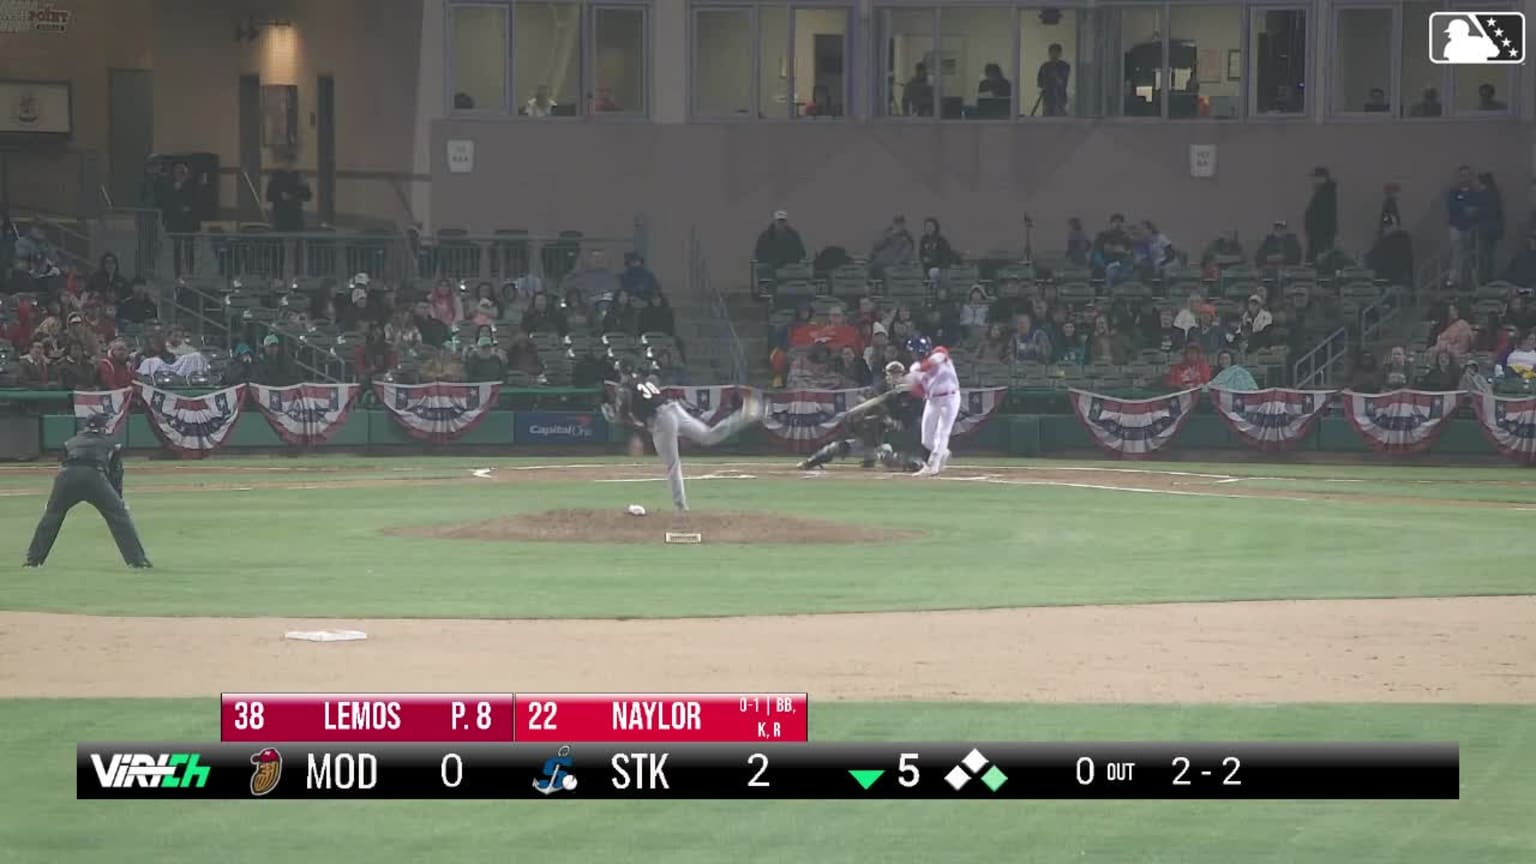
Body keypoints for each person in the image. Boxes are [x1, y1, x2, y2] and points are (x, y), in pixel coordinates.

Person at [605, 359, 766, 511]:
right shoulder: (643, 379)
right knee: (708, 436)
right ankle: (744, 415)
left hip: (661, 419)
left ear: (621, 371)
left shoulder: (624, 387)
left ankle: (681, 508)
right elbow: (653, 381)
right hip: (673, 409)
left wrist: (618, 419)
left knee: (673, 464)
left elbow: (624, 413)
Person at [24, 413, 151, 568]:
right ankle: (137, 561)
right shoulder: (111, 443)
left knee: (51, 516)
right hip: (94, 477)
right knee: (119, 517)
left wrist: (54, 499)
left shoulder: (70, 442)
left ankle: (33, 560)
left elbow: (64, 464)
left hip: (66, 477)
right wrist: (118, 498)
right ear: (103, 427)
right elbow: (115, 473)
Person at [799, 361, 926, 473]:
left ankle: (912, 462)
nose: (894, 376)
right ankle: (811, 461)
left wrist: (891, 420)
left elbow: (910, 416)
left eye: (897, 373)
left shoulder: (908, 394)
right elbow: (864, 402)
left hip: (889, 437)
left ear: (902, 374)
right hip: (870, 435)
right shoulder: (879, 389)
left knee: (888, 456)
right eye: (891, 373)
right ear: (886, 374)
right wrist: (879, 415)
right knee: (838, 447)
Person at [265, 158, 312, 232]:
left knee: (298, 235)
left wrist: (293, 196)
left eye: (291, 163)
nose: (289, 165)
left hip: (295, 213)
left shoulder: (300, 176)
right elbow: (269, 196)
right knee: (279, 236)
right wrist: (280, 196)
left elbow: (307, 196)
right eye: (287, 162)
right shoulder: (275, 176)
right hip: (280, 213)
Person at [1304, 167, 1338, 264]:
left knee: (1317, 263)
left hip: (1320, 238)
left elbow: (1326, 218)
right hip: (1318, 237)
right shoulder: (1324, 192)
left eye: (1314, 178)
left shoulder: (1325, 194)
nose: (1312, 181)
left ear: (1322, 178)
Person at [1036, 43, 1071, 116]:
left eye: (1056, 52)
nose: (1053, 55)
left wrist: (1055, 75)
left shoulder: (1064, 66)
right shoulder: (1045, 66)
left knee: (1059, 118)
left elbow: (1063, 82)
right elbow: (1040, 83)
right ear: (1049, 53)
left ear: (1060, 54)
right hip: (1048, 98)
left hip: (1060, 98)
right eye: (1052, 52)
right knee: (1047, 118)